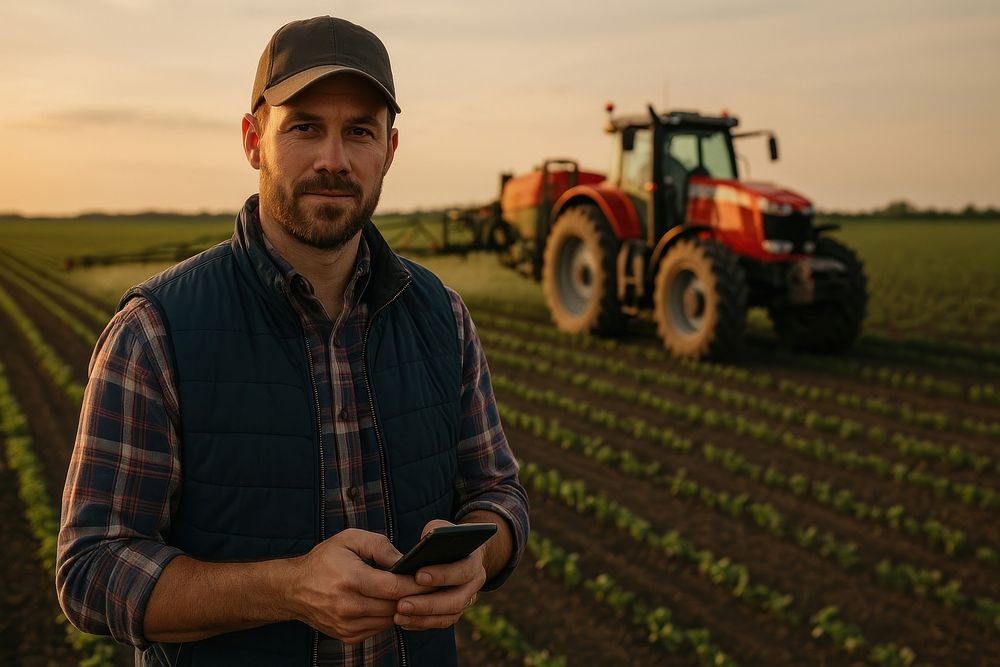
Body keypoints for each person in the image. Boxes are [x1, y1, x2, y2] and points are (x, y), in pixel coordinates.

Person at [55, 16, 529, 667]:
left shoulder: (442, 317)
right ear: (254, 141)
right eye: (304, 127)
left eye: (359, 131)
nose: (334, 159)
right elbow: (90, 569)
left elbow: (500, 494)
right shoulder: (154, 332)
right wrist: (287, 588)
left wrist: (480, 554)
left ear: (390, 150)